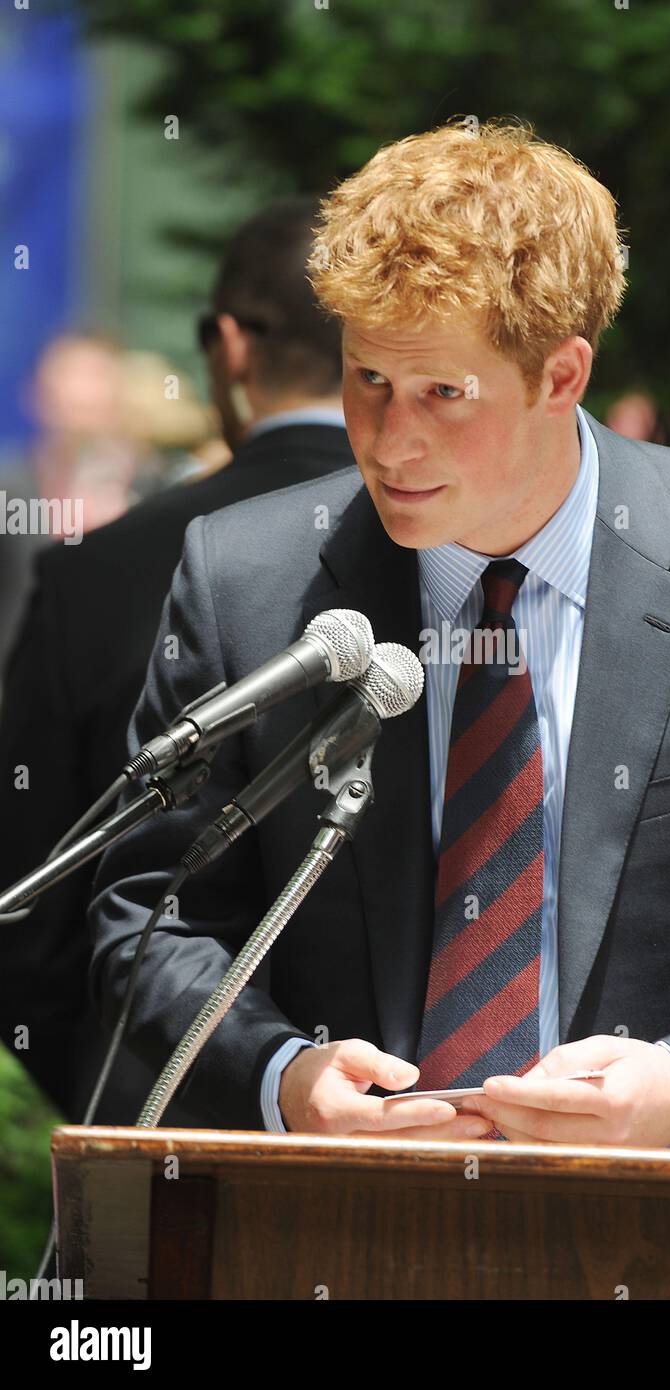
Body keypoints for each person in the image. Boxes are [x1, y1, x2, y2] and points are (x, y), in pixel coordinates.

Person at [87, 121, 670, 1152]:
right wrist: (280, 1073)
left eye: (443, 393)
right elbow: (150, 914)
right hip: (331, 1228)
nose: (391, 440)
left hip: (661, 1239)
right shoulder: (244, 577)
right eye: (368, 382)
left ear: (560, 376)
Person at [0, 197, 355, 1124]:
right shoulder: (460, 547)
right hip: (416, 1113)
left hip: (161, 1139)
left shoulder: (96, 573)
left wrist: (111, 1095)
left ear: (231, 347)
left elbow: (30, 914)